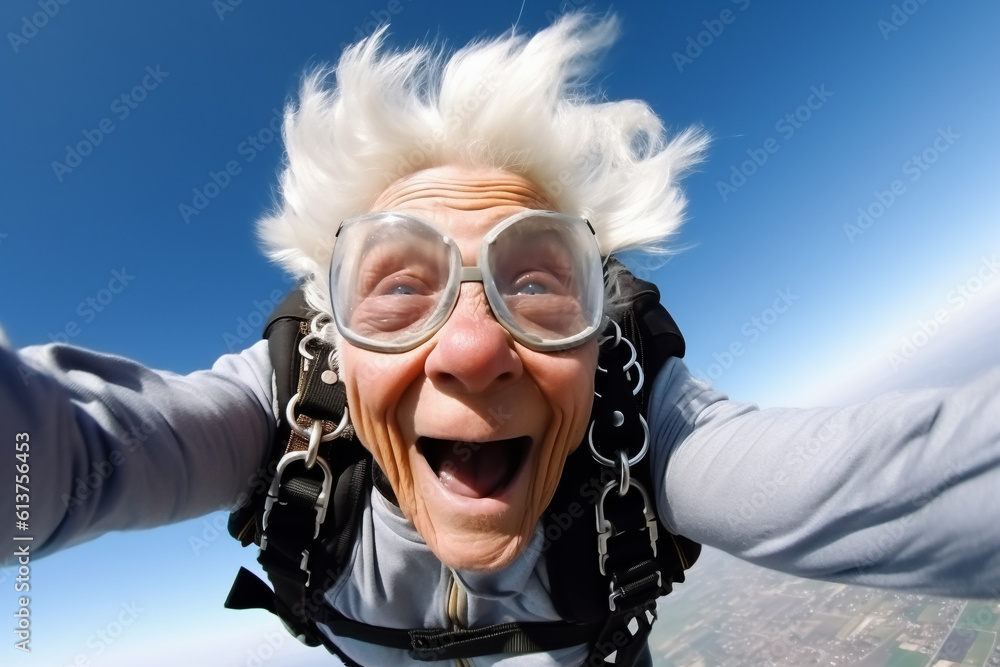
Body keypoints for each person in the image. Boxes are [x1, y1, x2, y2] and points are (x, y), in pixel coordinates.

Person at [3, 13, 999, 666]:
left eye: (534, 280)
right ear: (335, 341)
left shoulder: (635, 423)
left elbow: (883, 482)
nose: (475, 350)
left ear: (596, 325)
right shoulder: (281, 412)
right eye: (397, 289)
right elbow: (70, 459)